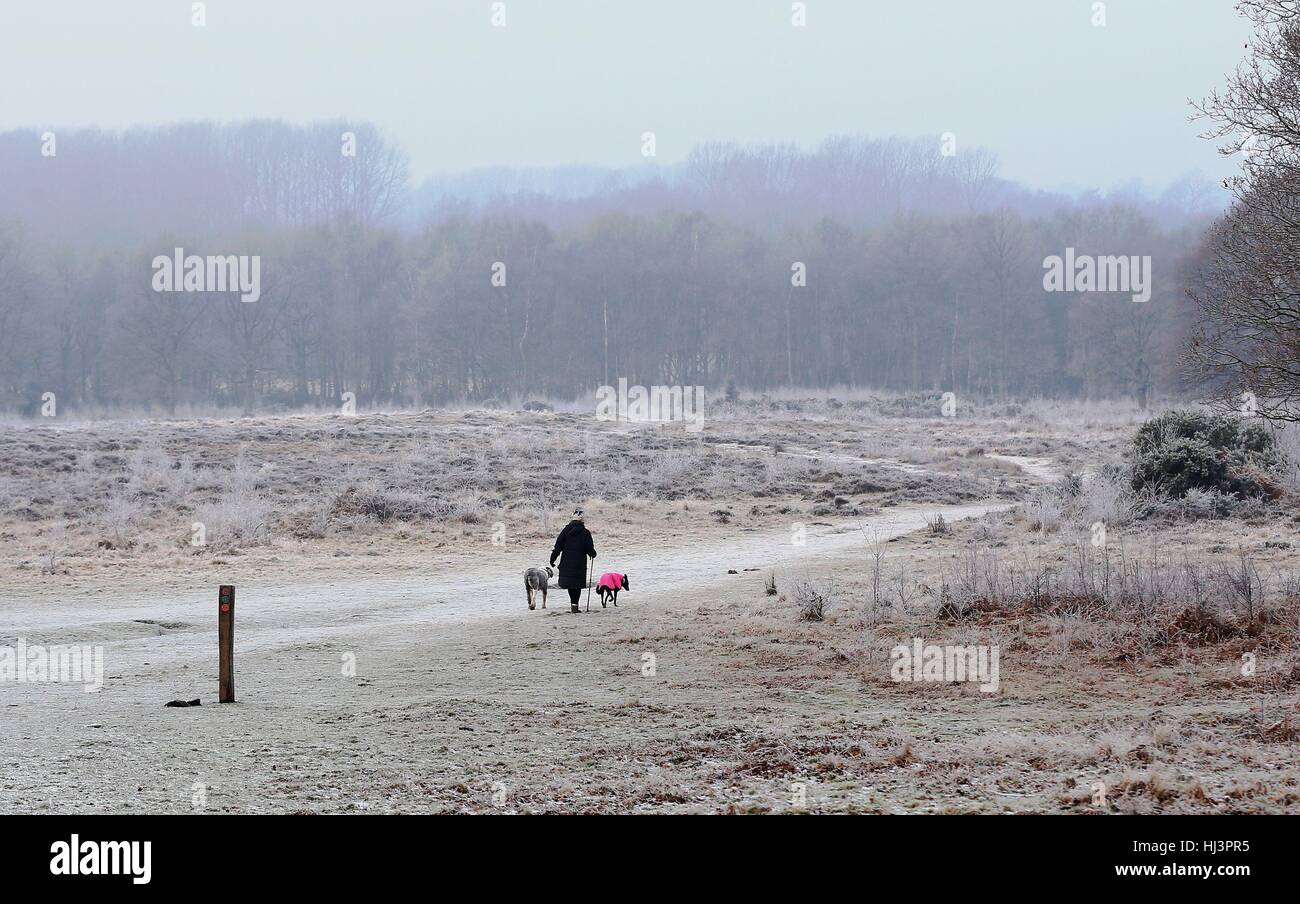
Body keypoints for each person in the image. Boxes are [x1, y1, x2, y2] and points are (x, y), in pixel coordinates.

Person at [550, 508, 596, 613]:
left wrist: (552, 559)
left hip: (566, 563)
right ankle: (575, 605)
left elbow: (557, 547)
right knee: (577, 585)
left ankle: (573, 605)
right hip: (579, 564)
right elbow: (589, 549)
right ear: (582, 520)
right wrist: (593, 554)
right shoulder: (585, 533)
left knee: (571, 585)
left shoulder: (565, 531)